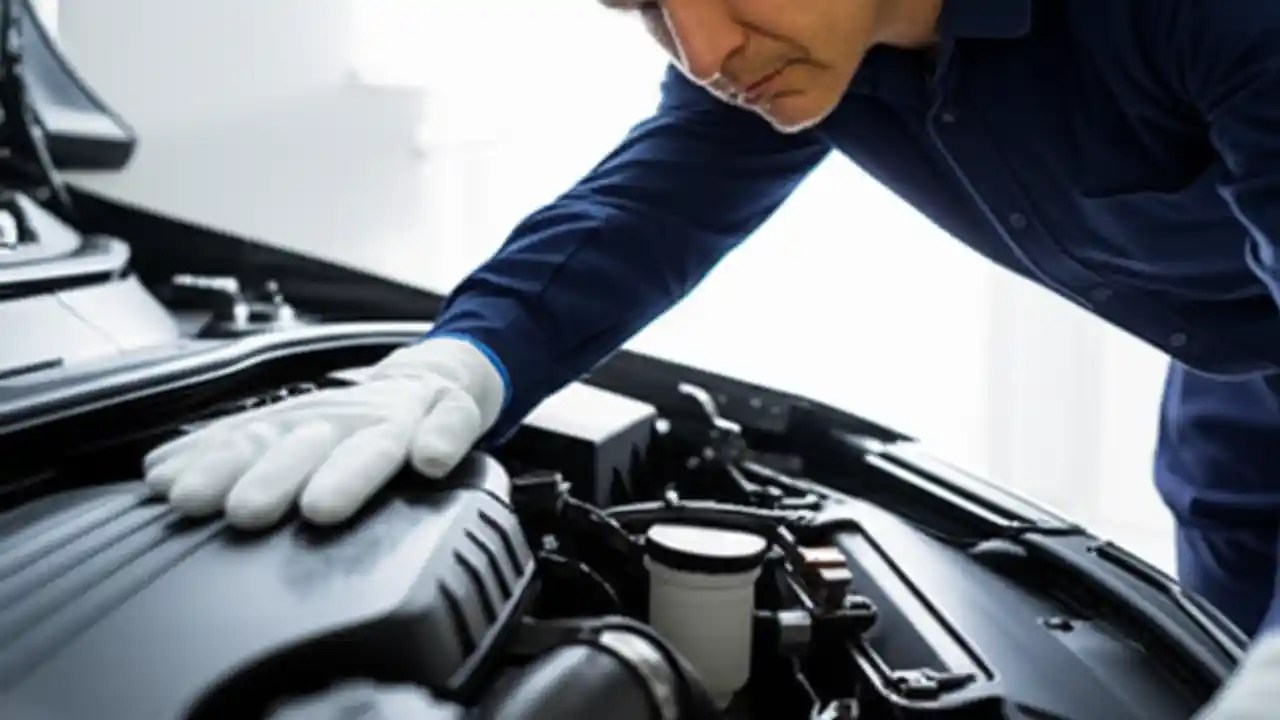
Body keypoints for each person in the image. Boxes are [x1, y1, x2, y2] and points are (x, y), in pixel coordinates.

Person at [141, 0, 1280, 714]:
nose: (702, 51)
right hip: (1232, 405)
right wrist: (449, 366)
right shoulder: (803, 43)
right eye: (644, 6)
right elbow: (641, 214)